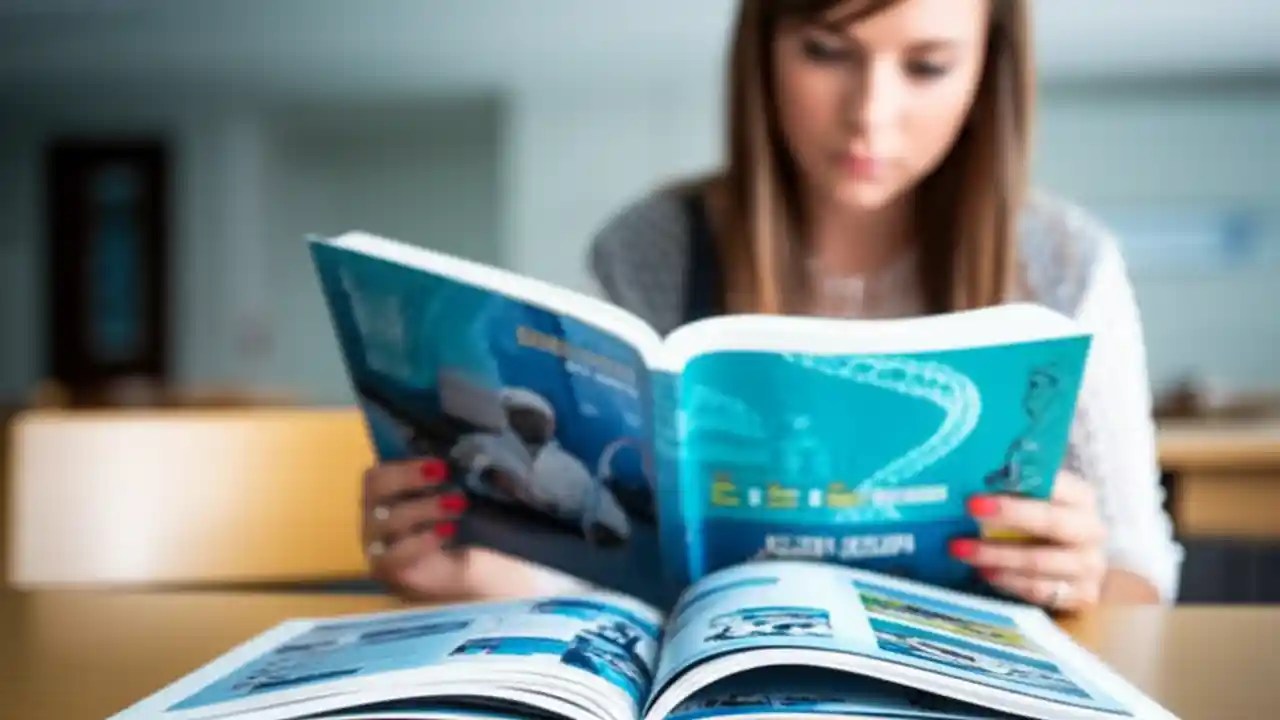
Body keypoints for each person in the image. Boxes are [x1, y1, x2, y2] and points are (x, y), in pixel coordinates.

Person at [361, 0, 1183, 611]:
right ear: (763, 47)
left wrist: (1086, 577)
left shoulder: (1067, 261)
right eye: (827, 50)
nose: (870, 114)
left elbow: (1144, 574)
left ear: (988, 71)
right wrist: (468, 571)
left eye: (927, 66)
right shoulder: (655, 247)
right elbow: (611, 572)